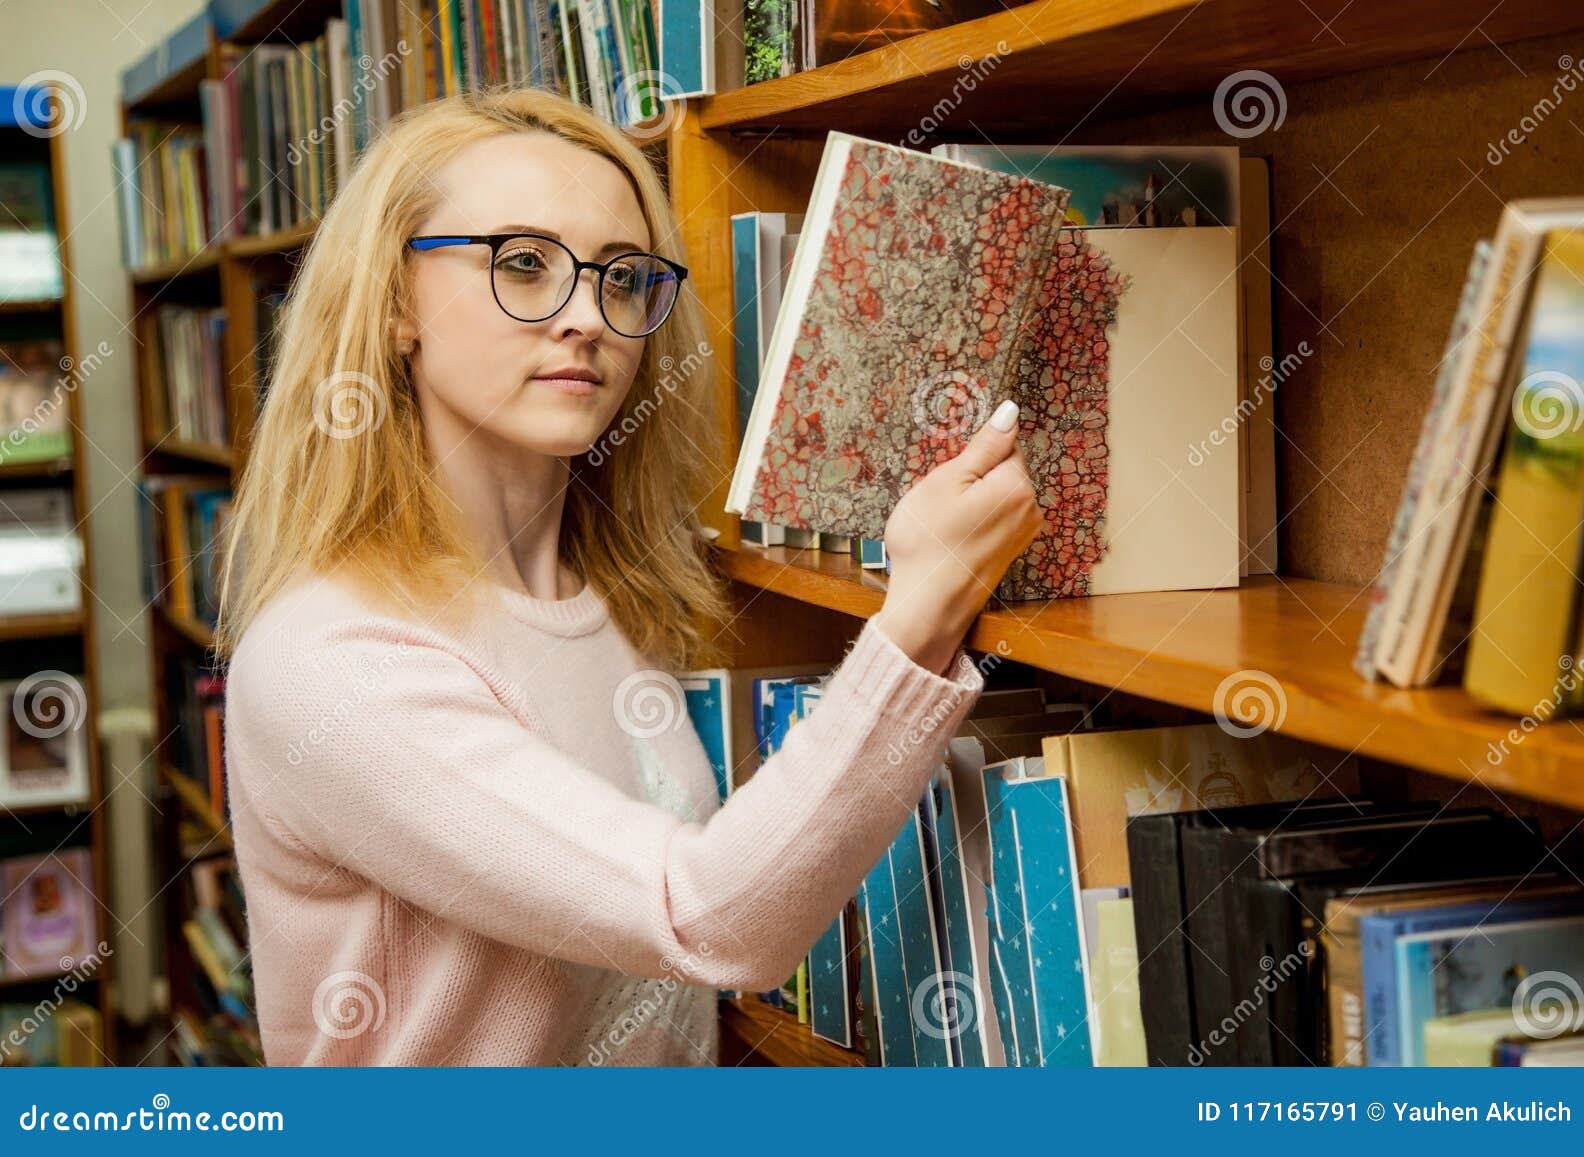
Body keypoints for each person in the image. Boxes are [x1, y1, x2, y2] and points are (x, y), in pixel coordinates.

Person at [217, 86, 1043, 1065]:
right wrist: (923, 607)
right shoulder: (334, 663)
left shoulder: (607, 594)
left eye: (620, 278)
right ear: (396, 302)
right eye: (522, 264)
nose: (586, 318)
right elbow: (707, 916)